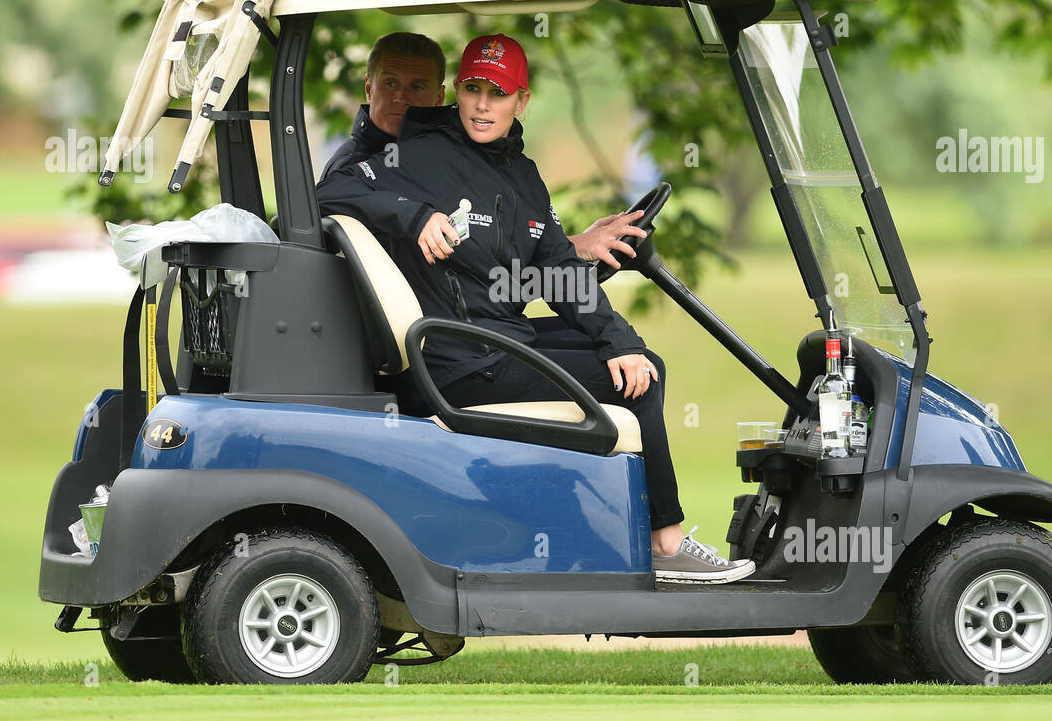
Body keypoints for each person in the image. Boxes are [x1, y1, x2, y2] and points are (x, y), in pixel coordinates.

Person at [317, 33, 754, 585]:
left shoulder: (521, 175)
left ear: (520, 101)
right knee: (632, 382)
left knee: (639, 363)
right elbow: (325, 195)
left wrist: (617, 339)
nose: (481, 104)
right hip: (457, 359)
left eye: (496, 93)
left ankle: (647, 537)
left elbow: (555, 273)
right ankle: (665, 544)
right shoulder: (417, 153)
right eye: (473, 89)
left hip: (494, 340)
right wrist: (414, 214)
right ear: (458, 92)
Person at [315, 31, 648, 350]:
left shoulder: (446, 155)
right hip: (424, 342)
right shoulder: (366, 166)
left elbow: (479, 262)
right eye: (390, 84)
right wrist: (567, 251)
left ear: (438, 97)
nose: (401, 97)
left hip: (470, 326)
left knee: (610, 346)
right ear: (369, 88)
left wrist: (560, 249)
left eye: (417, 86)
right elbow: (460, 276)